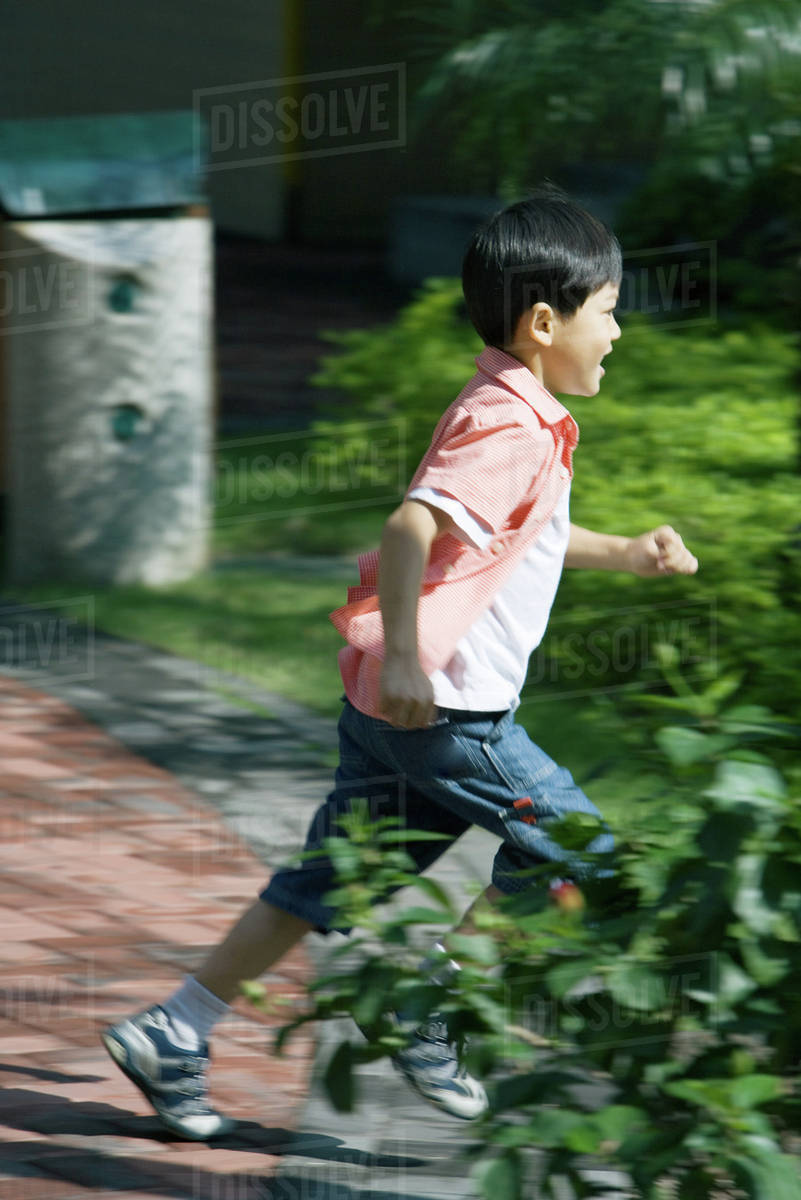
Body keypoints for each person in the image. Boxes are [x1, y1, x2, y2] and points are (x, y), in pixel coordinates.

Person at [102, 187, 698, 1140]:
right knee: (580, 848)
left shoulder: (511, 405)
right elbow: (411, 524)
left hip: (398, 712)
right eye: (610, 311)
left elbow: (515, 538)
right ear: (546, 322)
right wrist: (416, 660)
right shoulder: (510, 425)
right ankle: (434, 1010)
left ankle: (176, 1028)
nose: (619, 332)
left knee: (323, 883)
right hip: (451, 714)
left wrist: (626, 551)